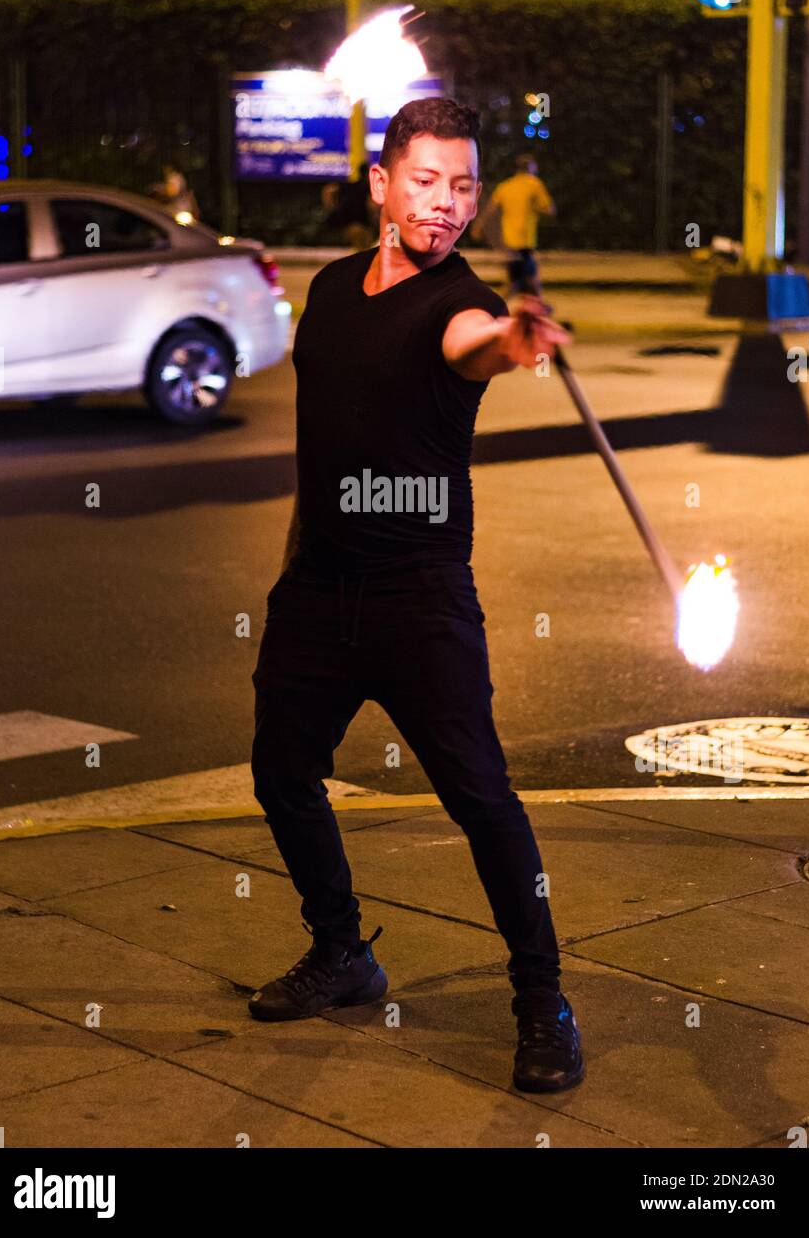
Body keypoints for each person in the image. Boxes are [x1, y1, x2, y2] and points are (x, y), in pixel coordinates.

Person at [248, 98, 584, 1094]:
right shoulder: (330, 291)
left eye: (464, 186)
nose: (447, 206)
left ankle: (544, 999)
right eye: (429, 181)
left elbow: (478, 343)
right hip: (317, 588)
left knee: (481, 800)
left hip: (418, 597)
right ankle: (342, 949)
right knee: (279, 771)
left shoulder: (458, 305)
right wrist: (295, 560)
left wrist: (518, 338)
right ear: (382, 185)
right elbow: (325, 443)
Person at [490, 153, 556, 295]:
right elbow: (550, 209)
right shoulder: (534, 184)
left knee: (514, 282)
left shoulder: (505, 186)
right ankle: (541, 310)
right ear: (530, 168)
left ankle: (498, 308)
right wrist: (536, 208)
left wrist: (478, 227)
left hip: (508, 239)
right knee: (531, 279)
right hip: (525, 239)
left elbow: (492, 209)